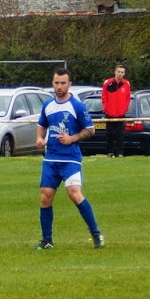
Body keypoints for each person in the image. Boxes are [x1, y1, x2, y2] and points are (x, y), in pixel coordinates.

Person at [35, 68, 103, 249]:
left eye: (63, 83)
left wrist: (72, 138)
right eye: (56, 83)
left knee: (74, 193)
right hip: (51, 159)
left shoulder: (77, 106)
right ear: (52, 83)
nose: (59, 86)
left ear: (69, 84)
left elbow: (90, 129)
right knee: (45, 197)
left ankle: (96, 233)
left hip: (70, 159)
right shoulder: (48, 105)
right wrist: (40, 138)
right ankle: (47, 240)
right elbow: (41, 125)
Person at [100, 64, 132, 158]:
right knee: (109, 133)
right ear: (115, 72)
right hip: (110, 113)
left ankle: (120, 152)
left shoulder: (126, 84)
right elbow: (104, 97)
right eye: (118, 72)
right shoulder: (107, 83)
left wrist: (124, 108)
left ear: (124, 73)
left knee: (120, 134)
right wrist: (106, 108)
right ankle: (110, 152)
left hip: (121, 114)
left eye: (122, 72)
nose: (120, 74)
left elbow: (127, 98)